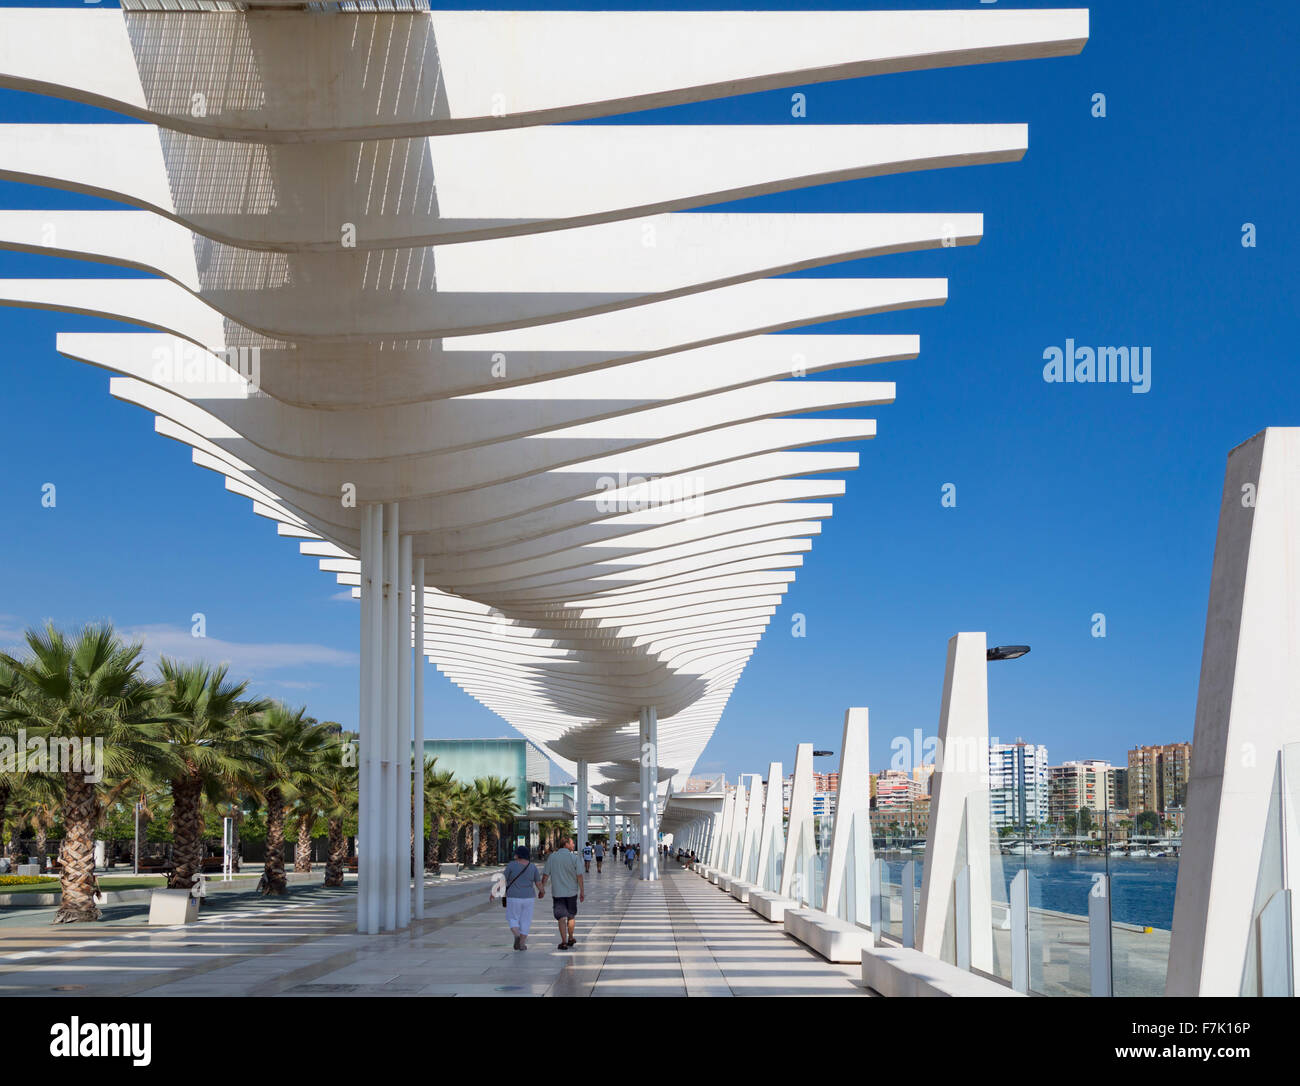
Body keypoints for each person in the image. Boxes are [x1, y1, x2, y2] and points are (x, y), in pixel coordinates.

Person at [496, 845, 543, 950]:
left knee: (512, 918)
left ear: (518, 855)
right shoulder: (532, 867)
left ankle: (516, 935)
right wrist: (542, 891)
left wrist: (495, 891)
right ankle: (522, 944)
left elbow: (502, 880)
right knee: (526, 920)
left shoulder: (512, 865)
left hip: (513, 897)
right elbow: (538, 883)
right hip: (529, 898)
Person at [541, 836, 585, 949]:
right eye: (572, 843)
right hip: (571, 892)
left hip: (558, 893)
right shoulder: (573, 858)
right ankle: (571, 937)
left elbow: (546, 875)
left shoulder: (552, 857)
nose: (574, 845)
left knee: (561, 918)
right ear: (566, 844)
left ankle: (563, 941)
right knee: (571, 916)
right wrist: (582, 892)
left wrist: (542, 889)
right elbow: (579, 876)